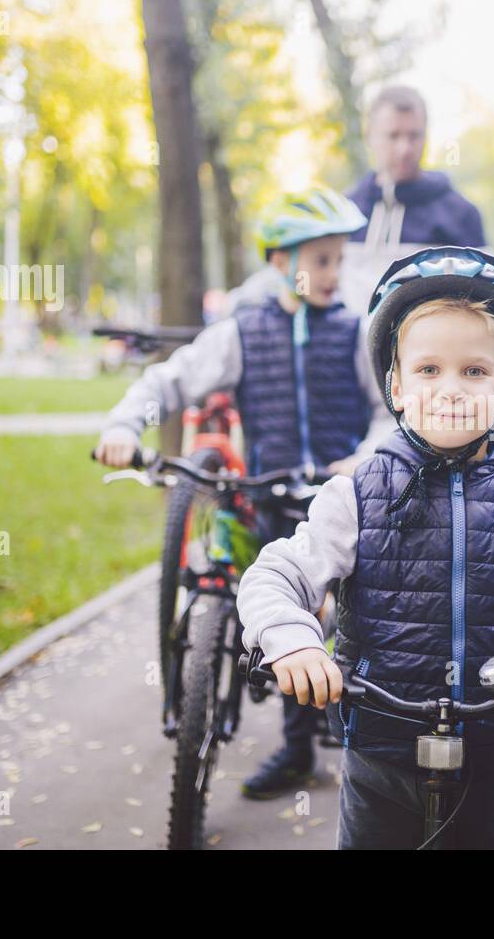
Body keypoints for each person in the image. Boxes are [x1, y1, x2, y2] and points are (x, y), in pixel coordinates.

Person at [235, 246, 494, 849]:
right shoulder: (359, 493)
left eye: (474, 371)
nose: (451, 389)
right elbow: (274, 576)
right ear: (395, 384)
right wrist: (292, 640)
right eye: (428, 370)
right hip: (380, 754)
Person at [94, 185, 396, 798]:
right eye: (322, 260)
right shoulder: (242, 333)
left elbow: (390, 411)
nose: (335, 273)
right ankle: (295, 747)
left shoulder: (356, 334)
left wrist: (361, 460)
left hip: (342, 500)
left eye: (340, 259)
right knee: (286, 608)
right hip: (271, 496)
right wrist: (126, 424)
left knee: (364, 611)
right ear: (281, 263)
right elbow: (172, 380)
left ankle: (368, 730)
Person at [337, 85, 488, 313]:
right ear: (370, 135)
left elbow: (486, 299)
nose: (405, 148)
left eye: (414, 135)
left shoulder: (461, 214)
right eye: (393, 135)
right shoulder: (343, 213)